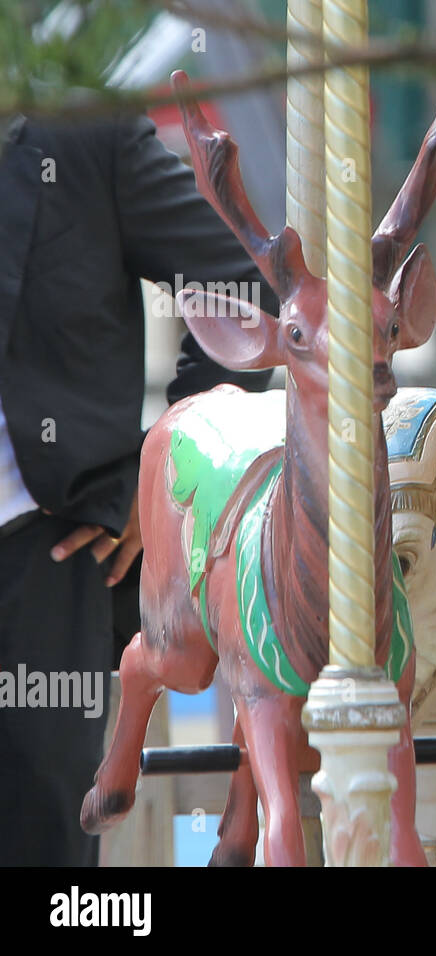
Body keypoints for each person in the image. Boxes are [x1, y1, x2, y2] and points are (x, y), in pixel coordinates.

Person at [0, 110, 275, 865]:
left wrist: (157, 475)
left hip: (44, 552)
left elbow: (242, 289)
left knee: (43, 839)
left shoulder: (78, 138)